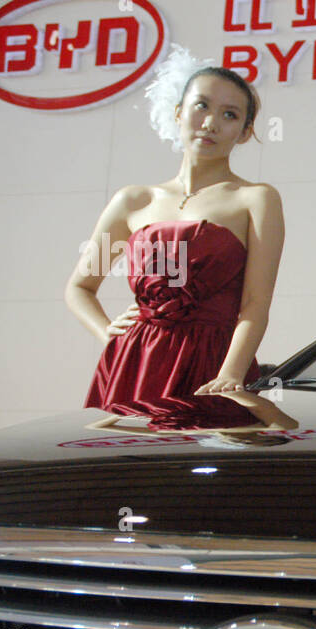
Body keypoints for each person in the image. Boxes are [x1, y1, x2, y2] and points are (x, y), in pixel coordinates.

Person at [66, 51, 284, 425]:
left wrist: (231, 375)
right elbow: (80, 287)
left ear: (245, 131)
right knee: (122, 470)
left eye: (230, 115)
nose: (211, 123)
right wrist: (111, 337)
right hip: (133, 364)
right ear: (178, 112)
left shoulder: (256, 199)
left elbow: (255, 304)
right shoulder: (134, 200)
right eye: (201, 106)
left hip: (213, 366)